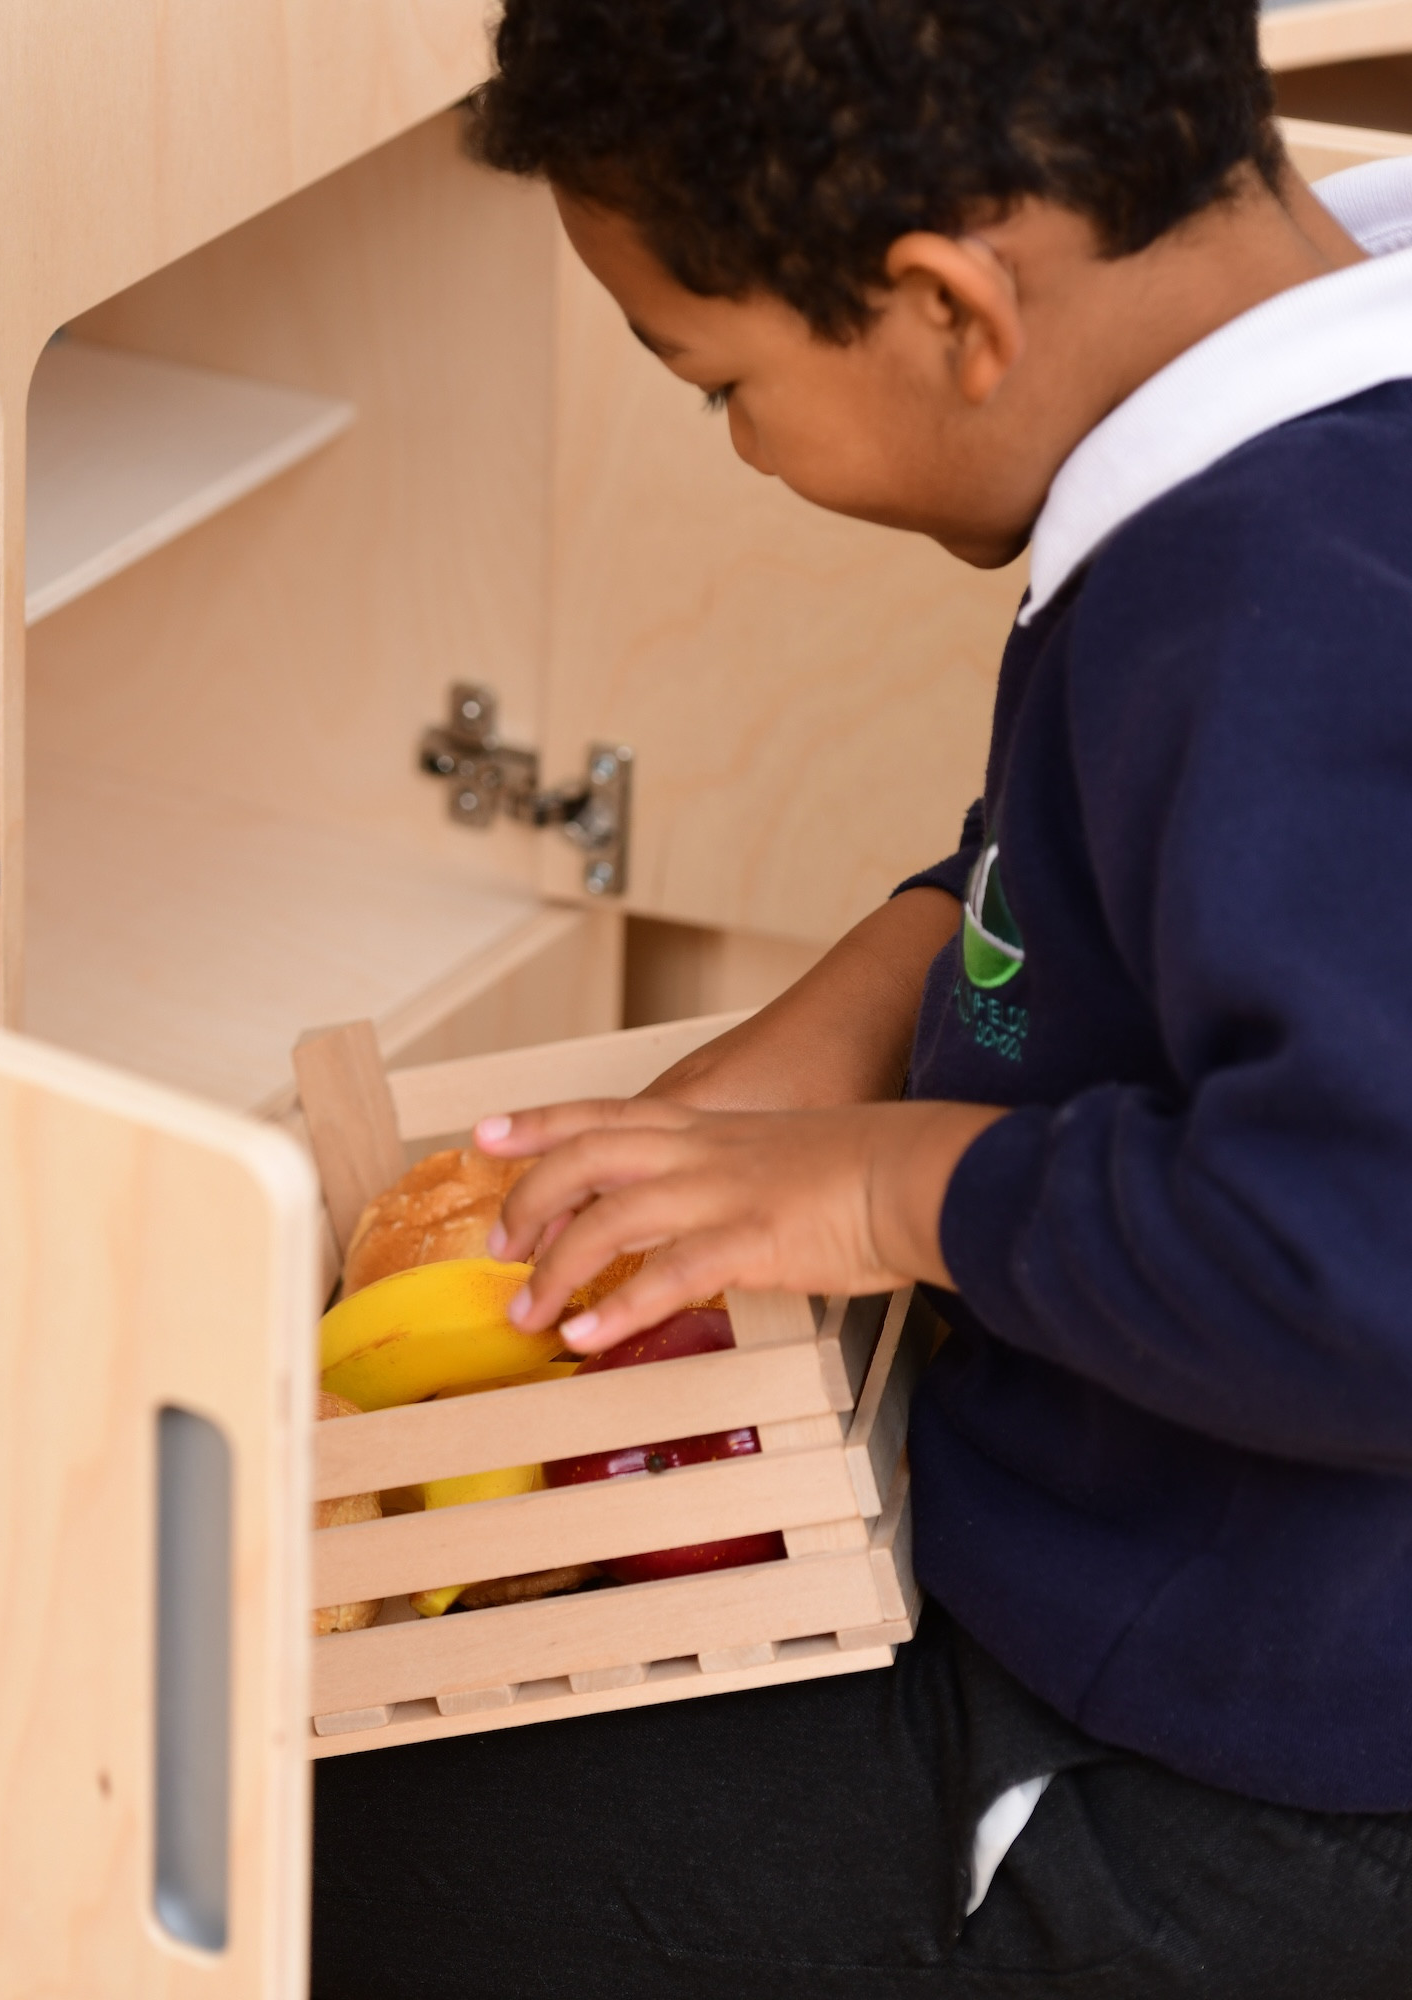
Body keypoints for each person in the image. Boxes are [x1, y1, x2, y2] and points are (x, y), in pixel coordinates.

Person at [309, 3, 1412, 1994]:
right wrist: (866, 1004)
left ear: (943, 306)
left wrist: (886, 1188)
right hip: (1253, 1620)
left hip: (1260, 1774)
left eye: (722, 382)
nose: (737, 445)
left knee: (329, 1861)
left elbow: (1363, 1255)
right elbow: (1146, 878)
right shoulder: (1317, 396)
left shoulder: (1263, 610)